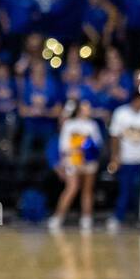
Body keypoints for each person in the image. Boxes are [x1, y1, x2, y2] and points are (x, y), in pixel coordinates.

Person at [49, 99, 102, 231]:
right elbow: (63, 145)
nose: (88, 109)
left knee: (87, 190)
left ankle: (86, 218)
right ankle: (58, 217)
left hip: (89, 161)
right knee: (72, 188)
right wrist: (72, 154)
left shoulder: (92, 125)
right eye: (86, 107)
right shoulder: (69, 125)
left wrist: (87, 150)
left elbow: (97, 143)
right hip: (72, 160)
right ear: (79, 110)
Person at [108, 91, 140, 229]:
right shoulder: (121, 113)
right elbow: (114, 136)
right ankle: (119, 217)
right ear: (135, 100)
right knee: (125, 189)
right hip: (126, 159)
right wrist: (115, 156)